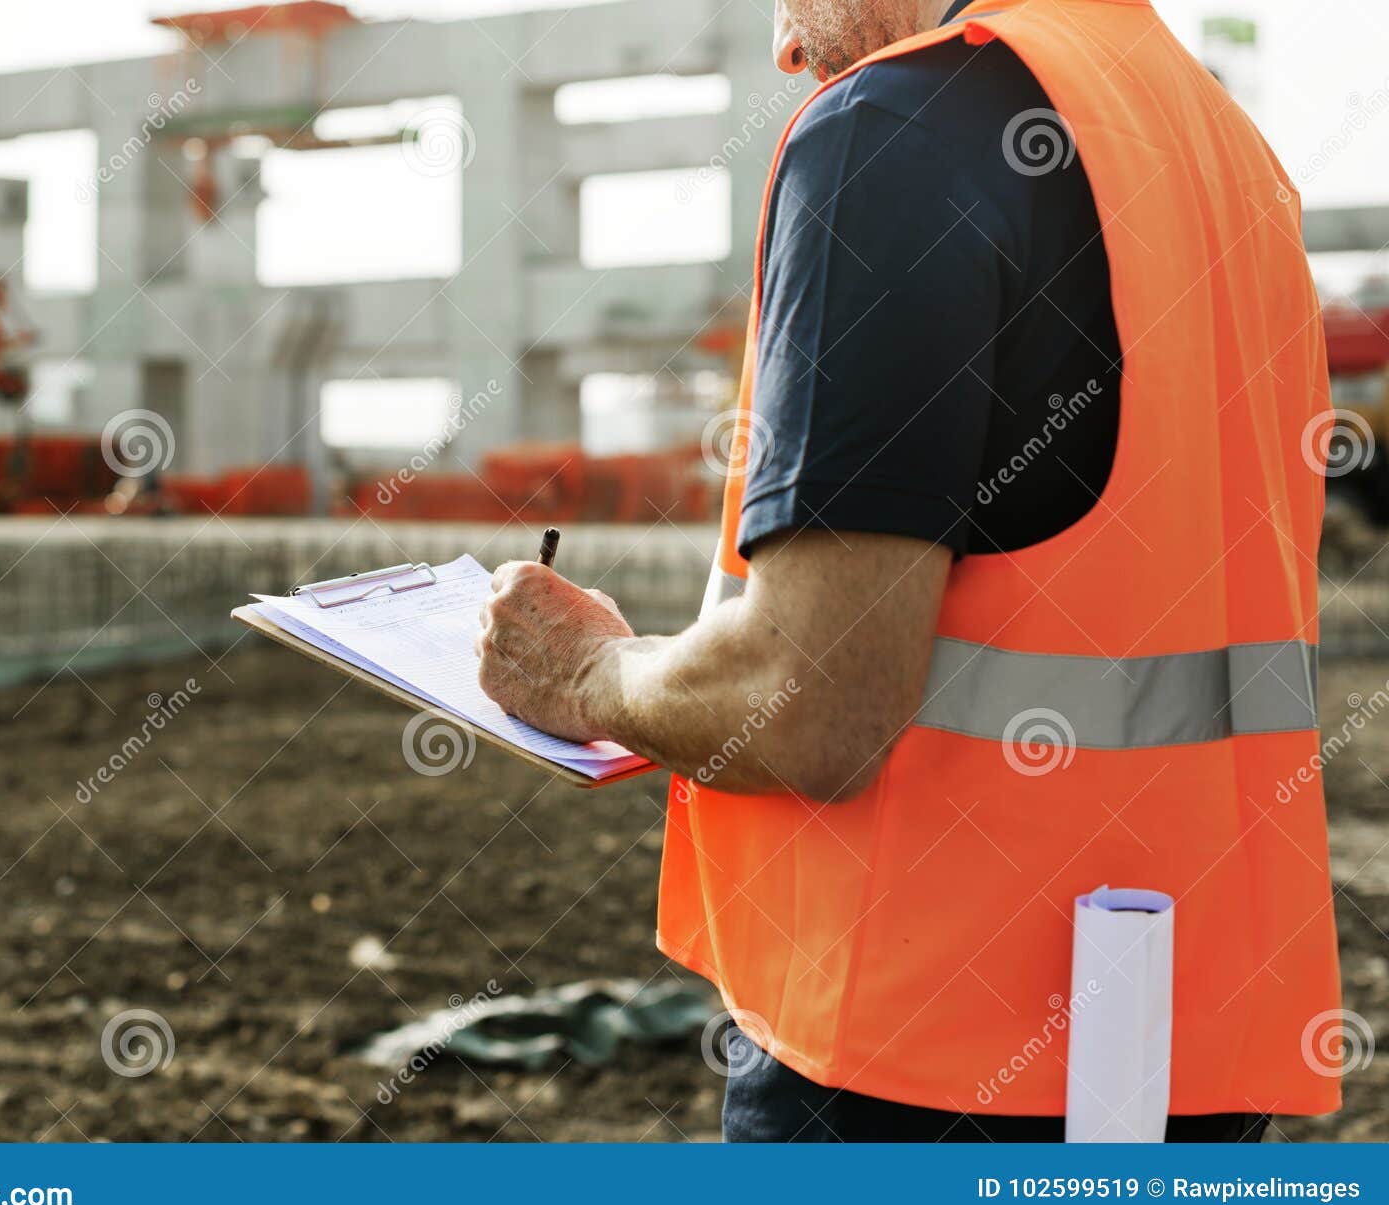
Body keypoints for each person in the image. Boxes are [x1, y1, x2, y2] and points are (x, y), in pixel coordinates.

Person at [477, 0, 1341, 1143]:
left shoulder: (897, 126)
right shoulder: (1225, 151)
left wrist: (588, 675)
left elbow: (810, 706)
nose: (788, 45)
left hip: (926, 1060)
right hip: (1189, 1045)